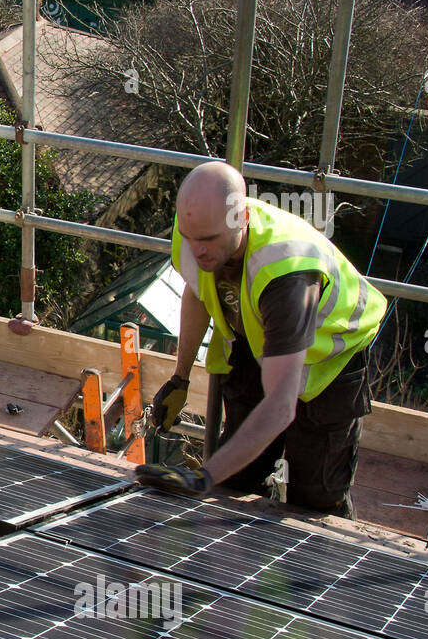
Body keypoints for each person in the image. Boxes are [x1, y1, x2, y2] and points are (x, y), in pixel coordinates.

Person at [136, 161, 386, 517]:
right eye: (191, 239)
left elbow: (281, 406)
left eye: (208, 241)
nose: (198, 250)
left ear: (242, 220)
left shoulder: (287, 272)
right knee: (237, 478)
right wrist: (181, 376)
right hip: (257, 343)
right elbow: (197, 291)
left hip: (328, 365)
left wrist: (203, 478)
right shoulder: (195, 228)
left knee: (313, 502)